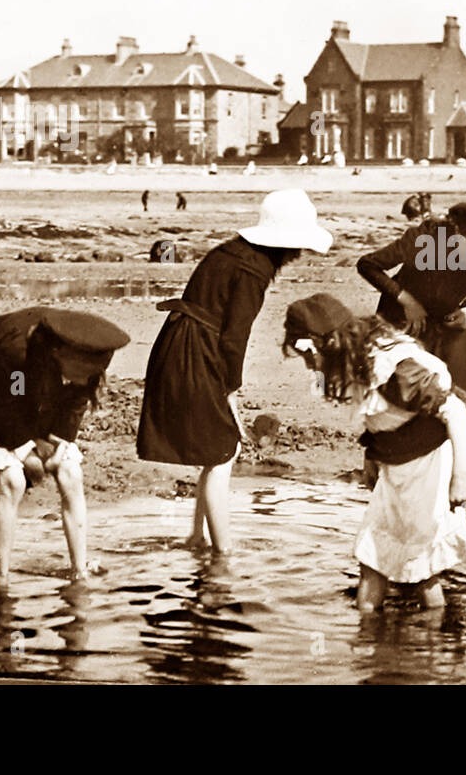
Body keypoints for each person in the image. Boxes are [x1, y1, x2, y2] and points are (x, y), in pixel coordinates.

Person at [137, 190, 332, 555]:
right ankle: (224, 553)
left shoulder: (231, 251)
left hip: (181, 343)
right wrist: (231, 387)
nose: (300, 254)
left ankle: (196, 537)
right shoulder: (252, 270)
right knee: (223, 453)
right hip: (197, 353)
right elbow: (235, 336)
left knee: (216, 449)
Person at [282, 293, 466, 612]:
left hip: (430, 464)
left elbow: (455, 410)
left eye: (307, 357)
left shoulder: (396, 370)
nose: (310, 366)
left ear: (322, 345)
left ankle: (431, 649)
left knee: (421, 569)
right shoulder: (359, 358)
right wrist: (371, 459)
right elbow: (380, 415)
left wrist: (459, 479)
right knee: (373, 555)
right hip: (397, 462)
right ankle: (369, 641)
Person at [0, 307, 130, 590]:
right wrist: (25, 451)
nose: (84, 380)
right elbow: (6, 403)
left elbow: (76, 402)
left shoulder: (85, 363)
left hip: (31, 383)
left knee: (71, 473)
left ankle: (78, 571)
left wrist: (57, 442)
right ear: (61, 353)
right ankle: (1, 579)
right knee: (13, 479)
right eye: (82, 373)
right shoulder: (15, 354)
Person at [357, 200, 466, 394]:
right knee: (395, 395)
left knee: (457, 395)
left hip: (450, 316)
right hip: (402, 317)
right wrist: (406, 300)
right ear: (457, 234)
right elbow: (367, 265)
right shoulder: (422, 238)